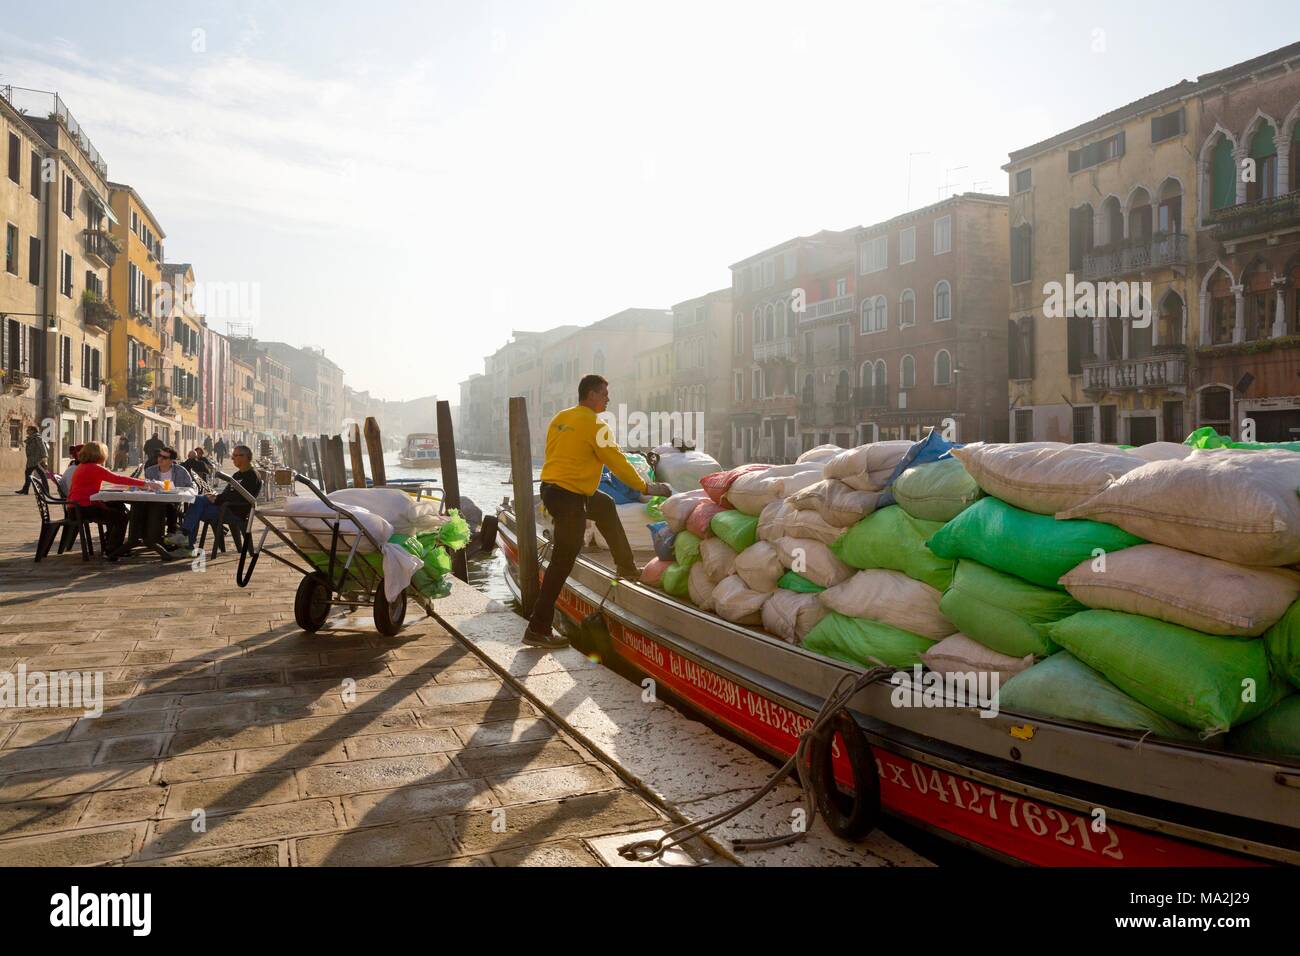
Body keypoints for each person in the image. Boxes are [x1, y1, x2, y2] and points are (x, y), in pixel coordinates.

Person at [524, 374, 671, 649]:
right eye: (604, 393)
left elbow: (561, 452)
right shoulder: (596, 425)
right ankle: (538, 627)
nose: (608, 398)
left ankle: (626, 567)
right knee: (562, 560)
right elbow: (616, 461)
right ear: (591, 394)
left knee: (604, 505)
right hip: (570, 496)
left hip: (553, 490)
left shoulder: (561, 417)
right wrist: (646, 487)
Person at [66, 441, 161, 557]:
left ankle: (110, 543)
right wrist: (146, 483)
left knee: (117, 506)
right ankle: (113, 549)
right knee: (121, 518)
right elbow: (117, 478)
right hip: (83, 508)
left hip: (76, 508)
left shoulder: (83, 466)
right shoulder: (94, 468)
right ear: (99, 454)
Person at [180, 444, 262, 550]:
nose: (232, 458)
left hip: (235, 512)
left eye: (235, 455)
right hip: (226, 508)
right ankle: (186, 540)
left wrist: (216, 499)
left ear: (245, 457)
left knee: (196, 506)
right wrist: (215, 497)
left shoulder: (252, 475)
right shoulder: (237, 475)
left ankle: (185, 539)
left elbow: (240, 498)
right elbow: (227, 494)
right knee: (198, 502)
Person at [15, 426, 49, 495]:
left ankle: (46, 491)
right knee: (28, 474)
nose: (27, 431)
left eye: (28, 430)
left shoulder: (37, 438)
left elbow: (42, 448)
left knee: (42, 475)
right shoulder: (31, 438)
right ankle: (25, 490)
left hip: (37, 461)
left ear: (33, 430)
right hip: (31, 460)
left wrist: (44, 458)